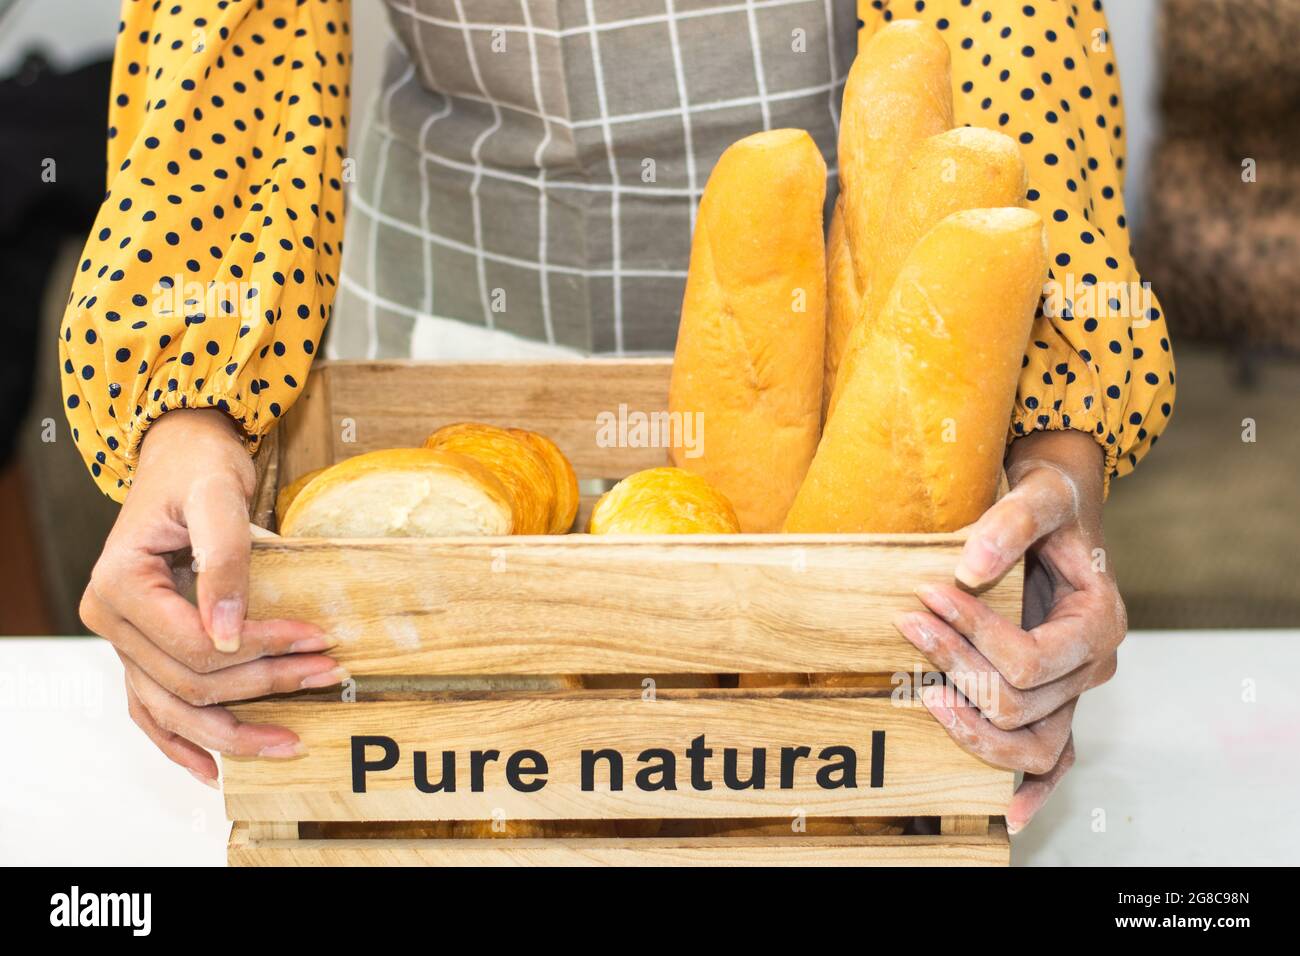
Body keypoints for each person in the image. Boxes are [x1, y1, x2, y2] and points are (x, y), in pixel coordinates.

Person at [61, 0, 1173, 832]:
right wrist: (187, 408)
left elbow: (1003, 39)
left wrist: (1048, 441)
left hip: (839, 333)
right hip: (444, 324)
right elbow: (231, 40)